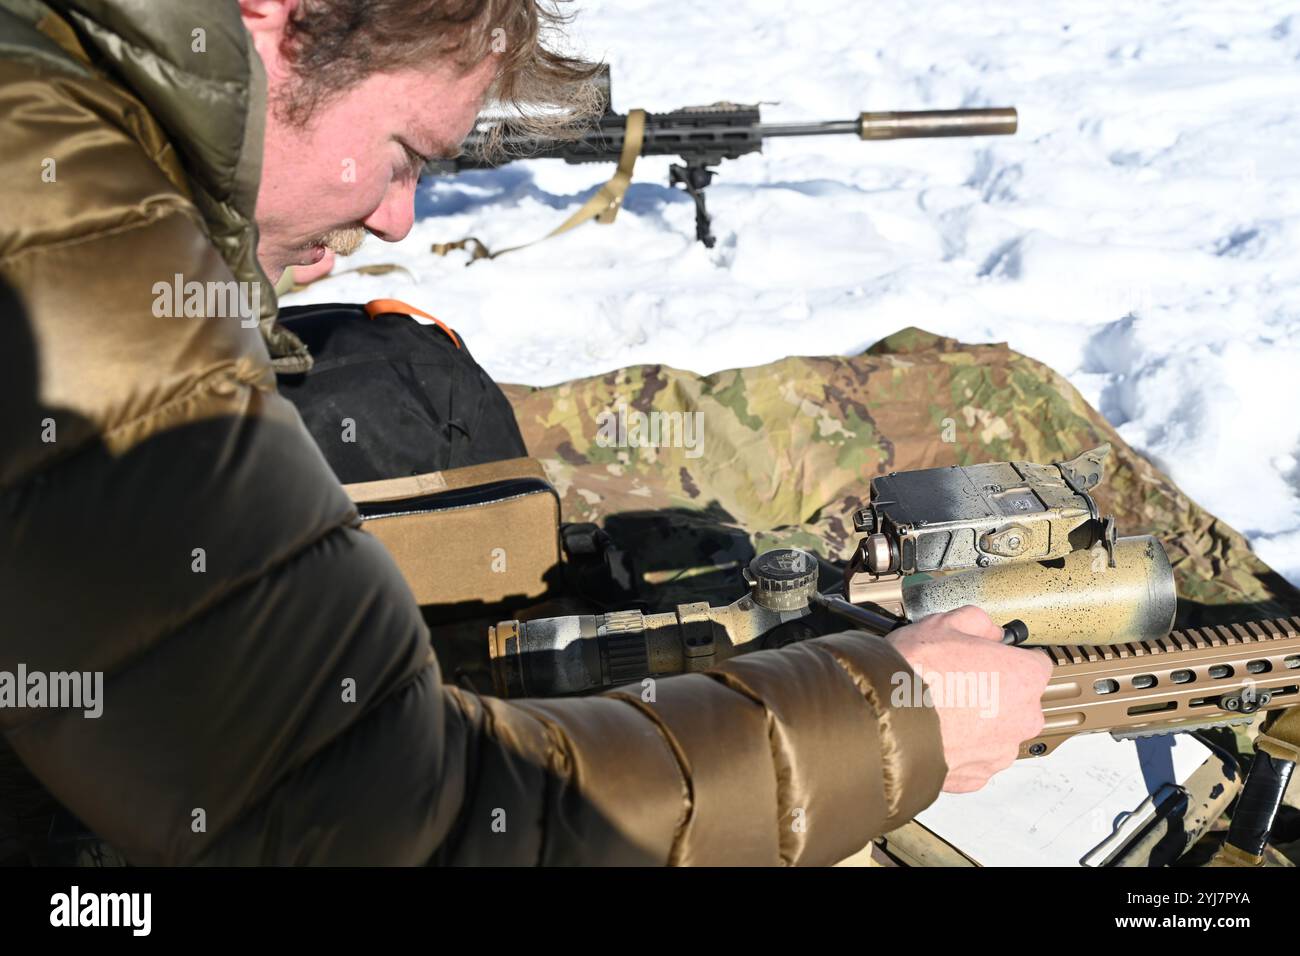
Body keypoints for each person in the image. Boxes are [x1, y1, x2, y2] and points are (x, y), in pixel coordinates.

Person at [0, 0, 1051, 866]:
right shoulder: (59, 227)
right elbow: (388, 826)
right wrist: (887, 719)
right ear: (277, 17)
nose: (398, 220)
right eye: (405, 151)